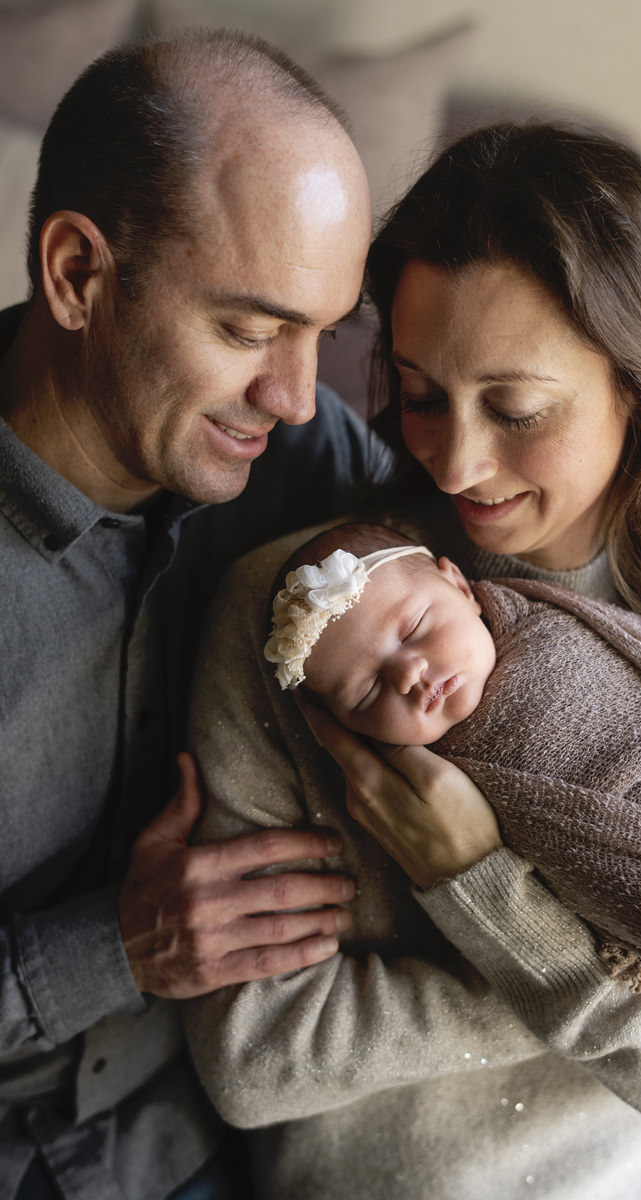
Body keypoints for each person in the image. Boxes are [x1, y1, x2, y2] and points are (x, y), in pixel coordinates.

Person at [186, 122, 641, 1199]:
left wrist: (479, 885)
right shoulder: (314, 626)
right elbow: (256, 1056)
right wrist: (622, 984)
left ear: (640, 391)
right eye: (421, 395)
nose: (457, 460)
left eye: (515, 410)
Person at [0, 28, 375, 1200]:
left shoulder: (299, 453)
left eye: (322, 334)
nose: (296, 396)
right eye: (250, 330)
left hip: (218, 1141)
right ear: (76, 274)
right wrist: (113, 948)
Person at [264, 520, 641, 997]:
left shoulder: (552, 627)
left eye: (414, 630)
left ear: (459, 586)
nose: (408, 675)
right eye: (367, 693)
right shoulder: (408, 794)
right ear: (345, 730)